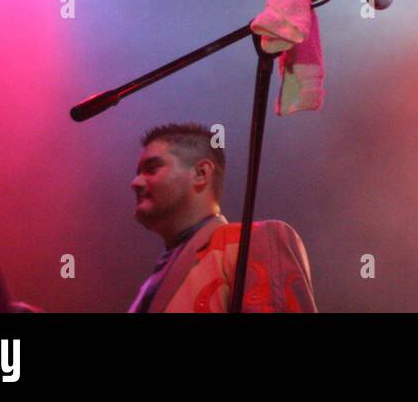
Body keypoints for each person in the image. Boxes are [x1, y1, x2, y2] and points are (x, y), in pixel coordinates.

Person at [128, 122, 317, 313]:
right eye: (138, 173)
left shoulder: (251, 242)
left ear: (201, 173)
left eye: (151, 169)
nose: (135, 182)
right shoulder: (150, 283)